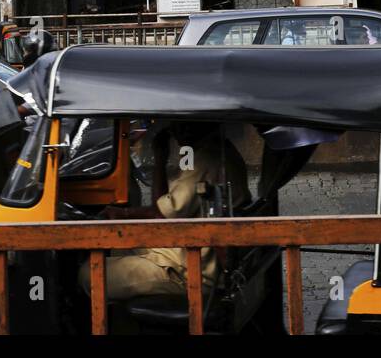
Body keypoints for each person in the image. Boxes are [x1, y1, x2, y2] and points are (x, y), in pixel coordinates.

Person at [78, 123, 251, 303]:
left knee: (88, 273)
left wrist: (160, 158)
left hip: (193, 270)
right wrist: (126, 213)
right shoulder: (216, 151)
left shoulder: (206, 159)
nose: (176, 131)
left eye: (179, 124)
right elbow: (167, 204)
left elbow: (162, 214)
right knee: (116, 249)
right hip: (189, 252)